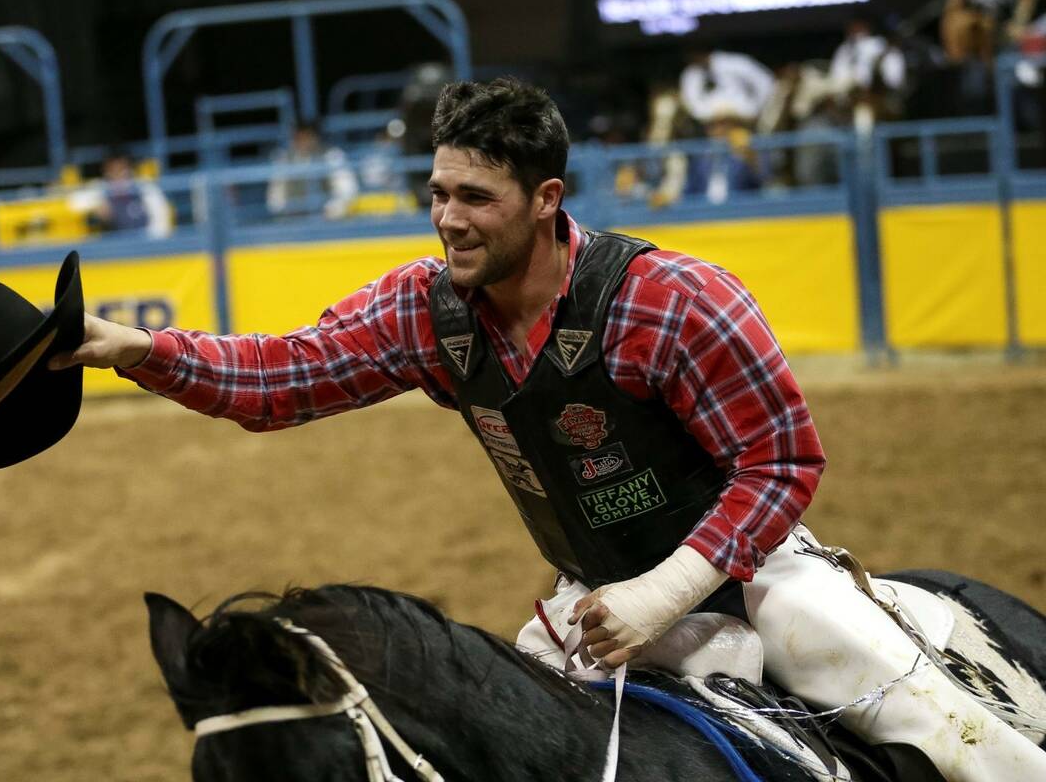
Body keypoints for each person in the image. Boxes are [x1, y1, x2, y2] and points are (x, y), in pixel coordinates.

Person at [50, 78, 1045, 781]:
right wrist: (134, 348)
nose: (448, 219)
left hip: (757, 583)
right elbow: (284, 376)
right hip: (589, 605)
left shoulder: (672, 301)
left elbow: (782, 461)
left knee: (946, 727)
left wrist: (666, 591)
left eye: (475, 198)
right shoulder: (425, 310)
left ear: (546, 200)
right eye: (437, 194)